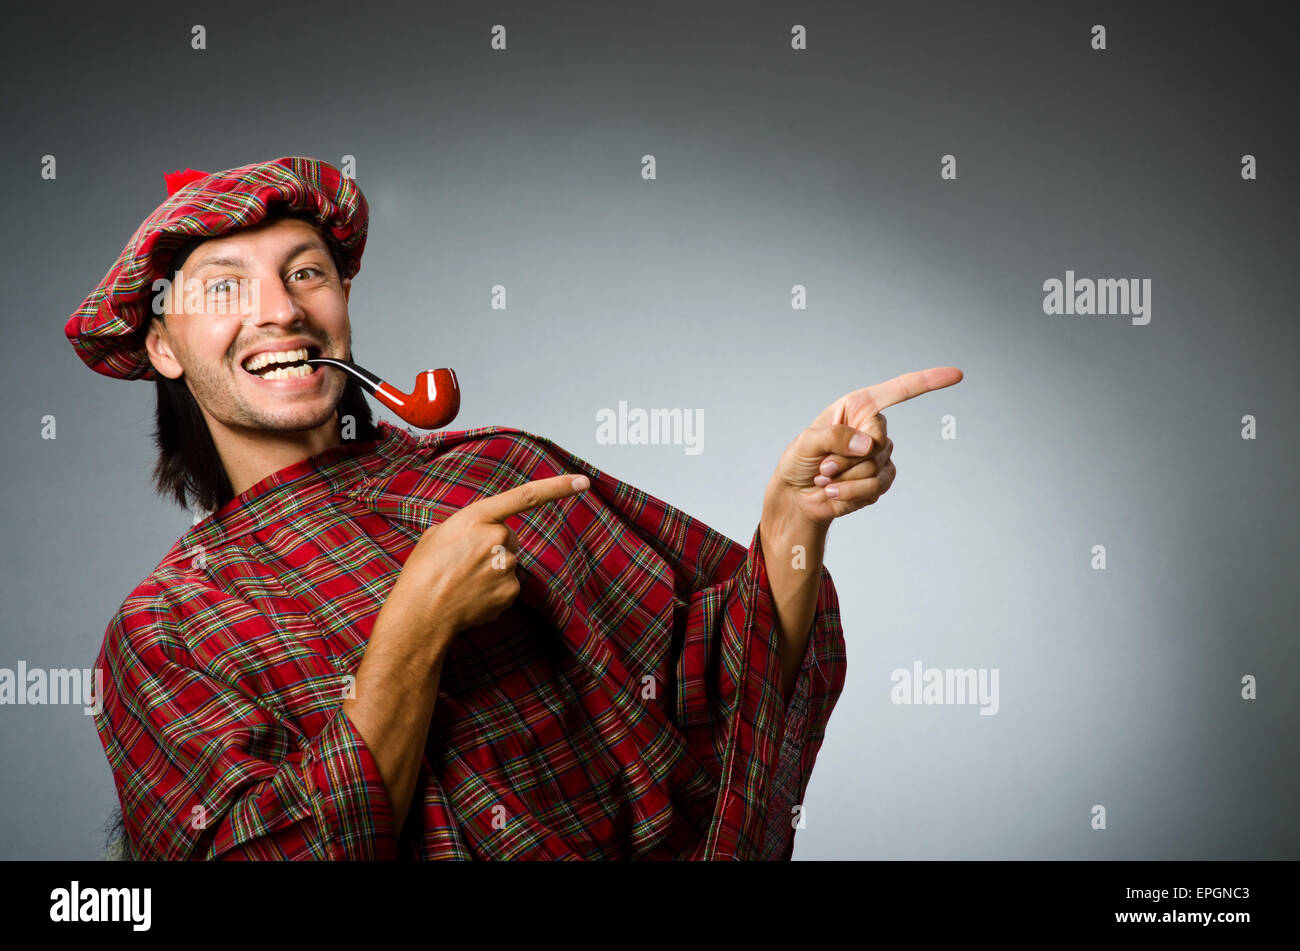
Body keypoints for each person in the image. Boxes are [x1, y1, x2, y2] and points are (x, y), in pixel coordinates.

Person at [67, 156, 962, 859]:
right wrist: (414, 627)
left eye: (307, 273)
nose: (279, 310)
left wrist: (793, 522)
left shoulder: (504, 471)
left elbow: (718, 686)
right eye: (225, 286)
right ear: (163, 345)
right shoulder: (161, 632)